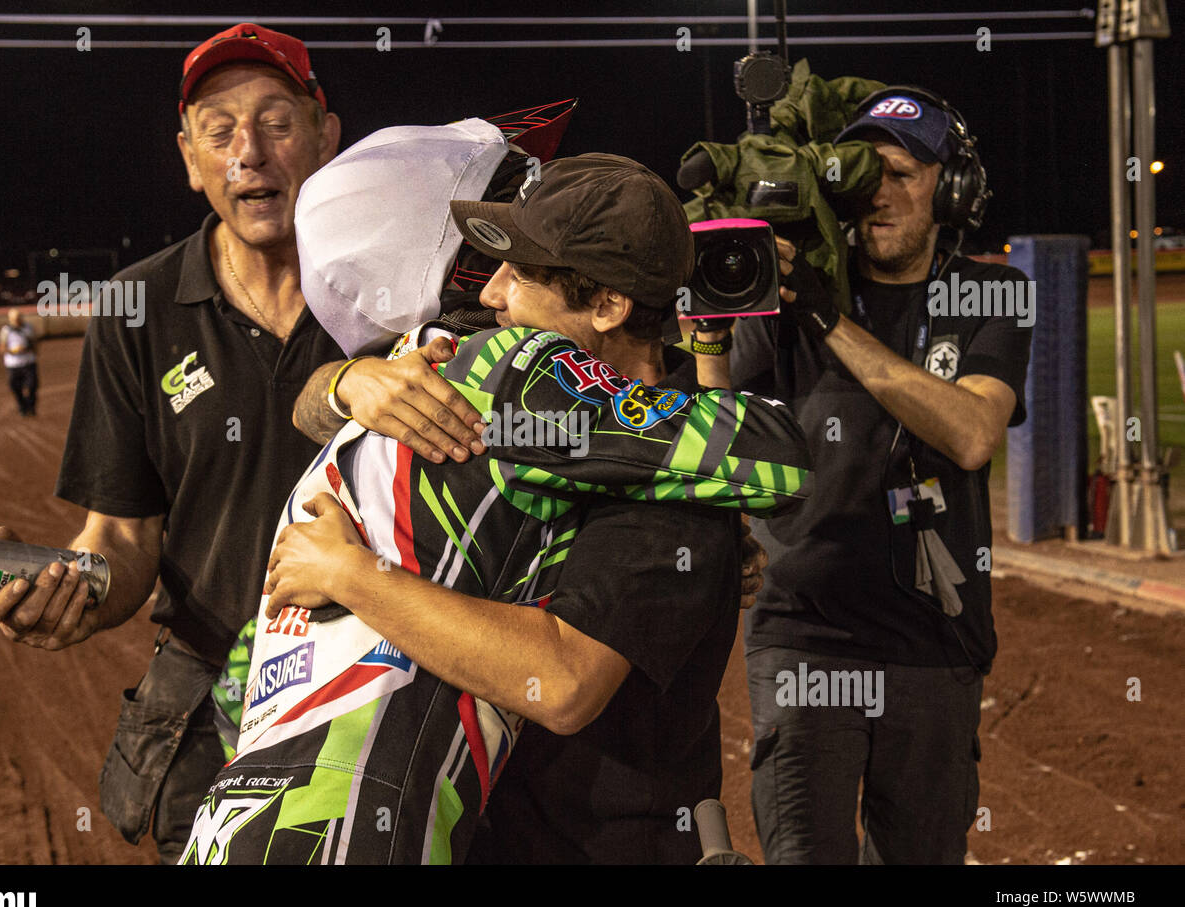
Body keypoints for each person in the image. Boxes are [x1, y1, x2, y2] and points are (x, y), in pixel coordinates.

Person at [183, 154, 811, 865]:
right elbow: (308, 406)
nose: (494, 297)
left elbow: (566, 683)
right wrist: (347, 381)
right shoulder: (513, 406)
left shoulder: (674, 480)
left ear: (607, 306)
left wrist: (349, 574)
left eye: (523, 275)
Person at [0, 23, 459, 864]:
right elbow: (122, 536)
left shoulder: (407, 290)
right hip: (214, 704)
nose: (250, 153)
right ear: (189, 158)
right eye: (220, 130)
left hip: (386, 685)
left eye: (276, 121)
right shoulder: (137, 308)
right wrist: (71, 591)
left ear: (326, 136)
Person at [727, 86, 1033, 864]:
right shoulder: (786, 292)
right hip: (805, 630)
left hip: (934, 638)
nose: (882, 193)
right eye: (867, 175)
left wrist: (834, 322)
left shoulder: (991, 291)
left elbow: (970, 435)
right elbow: (718, 419)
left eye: (905, 174)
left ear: (953, 189)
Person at [0, 307, 37, 416]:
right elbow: (1, 348)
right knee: (15, 387)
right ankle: (22, 405)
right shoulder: (6, 331)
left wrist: (27, 349)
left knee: (32, 386)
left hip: (28, 362)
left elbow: (34, 344)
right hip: (13, 364)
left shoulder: (28, 328)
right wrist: (12, 351)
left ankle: (31, 406)